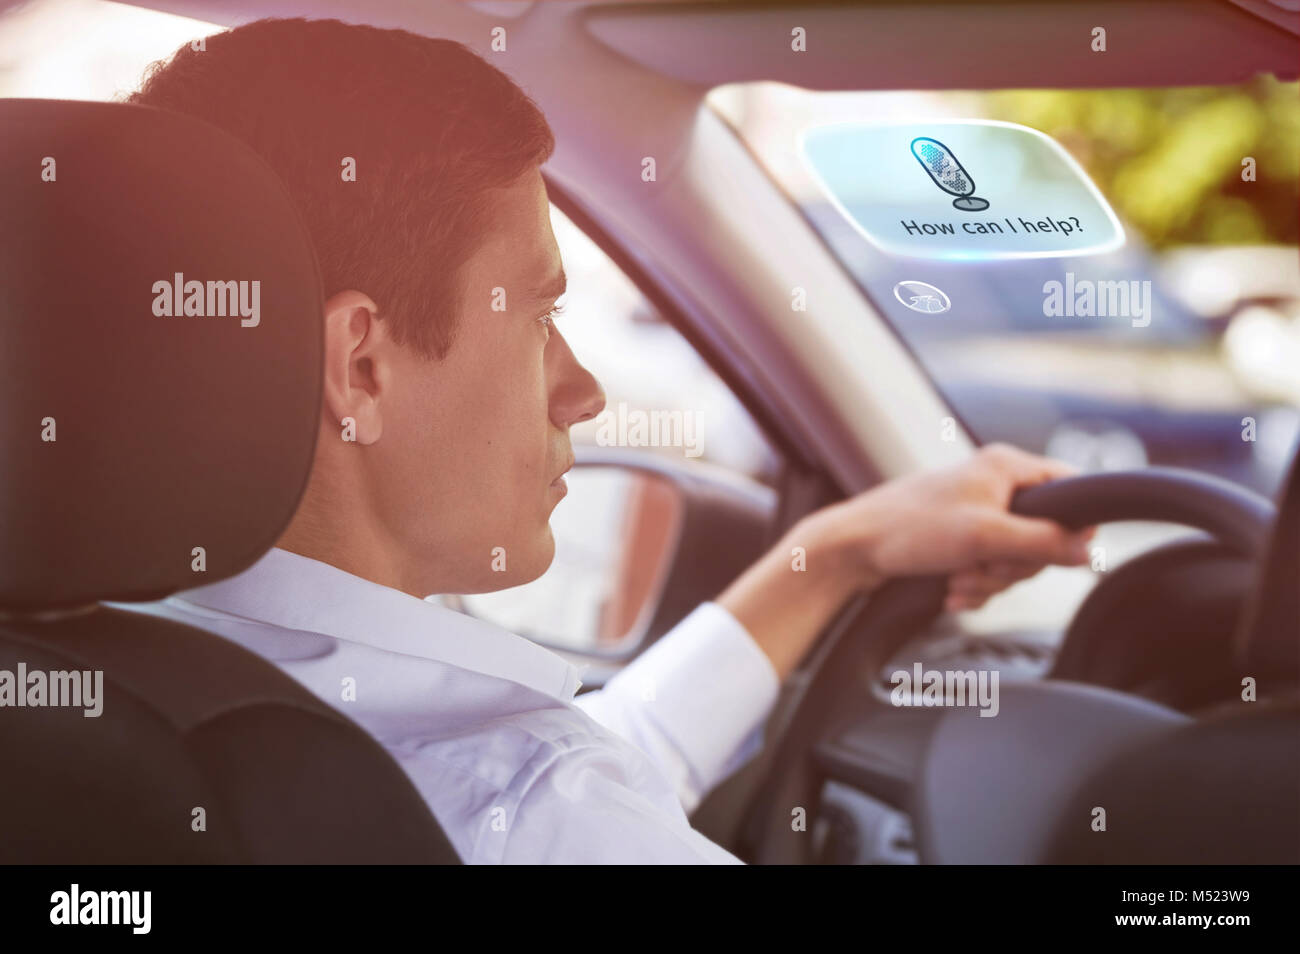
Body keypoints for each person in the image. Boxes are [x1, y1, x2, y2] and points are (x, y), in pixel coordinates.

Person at [118, 18, 1093, 863]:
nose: (581, 391)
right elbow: (539, 793)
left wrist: (831, 556)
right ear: (361, 367)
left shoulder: (104, 676)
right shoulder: (527, 803)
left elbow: (572, 770)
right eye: (537, 315)